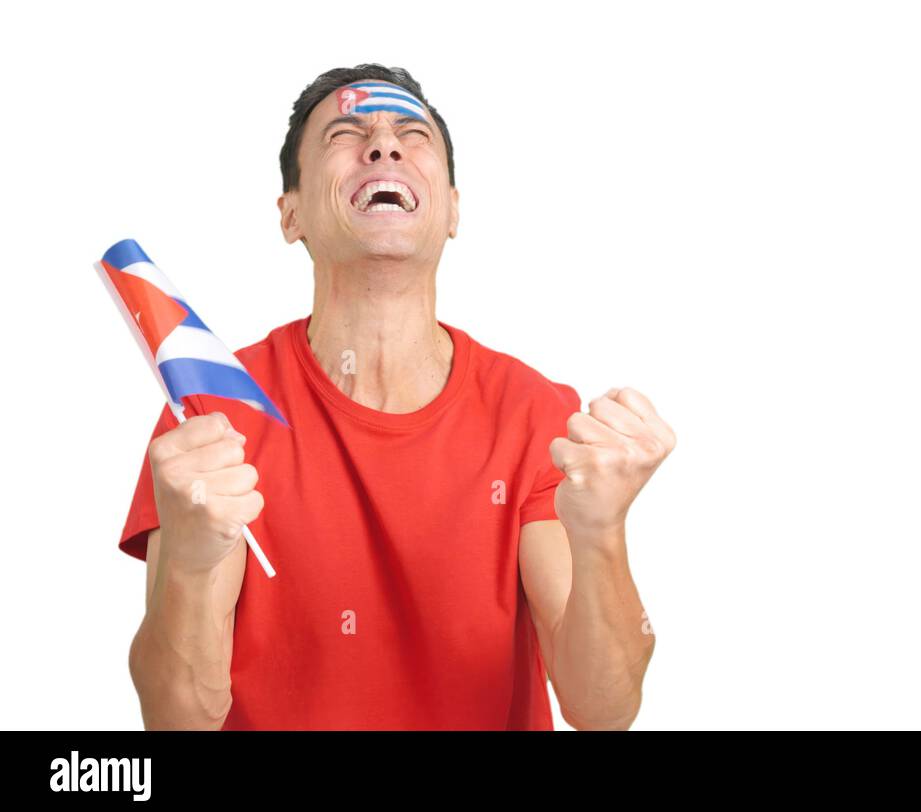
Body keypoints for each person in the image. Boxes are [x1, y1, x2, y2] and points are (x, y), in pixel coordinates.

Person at [119, 64, 674, 730]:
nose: (383, 146)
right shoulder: (209, 416)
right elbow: (176, 720)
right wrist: (188, 558)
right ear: (290, 214)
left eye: (412, 134)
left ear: (453, 208)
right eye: (345, 135)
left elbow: (604, 708)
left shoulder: (536, 416)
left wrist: (601, 533)